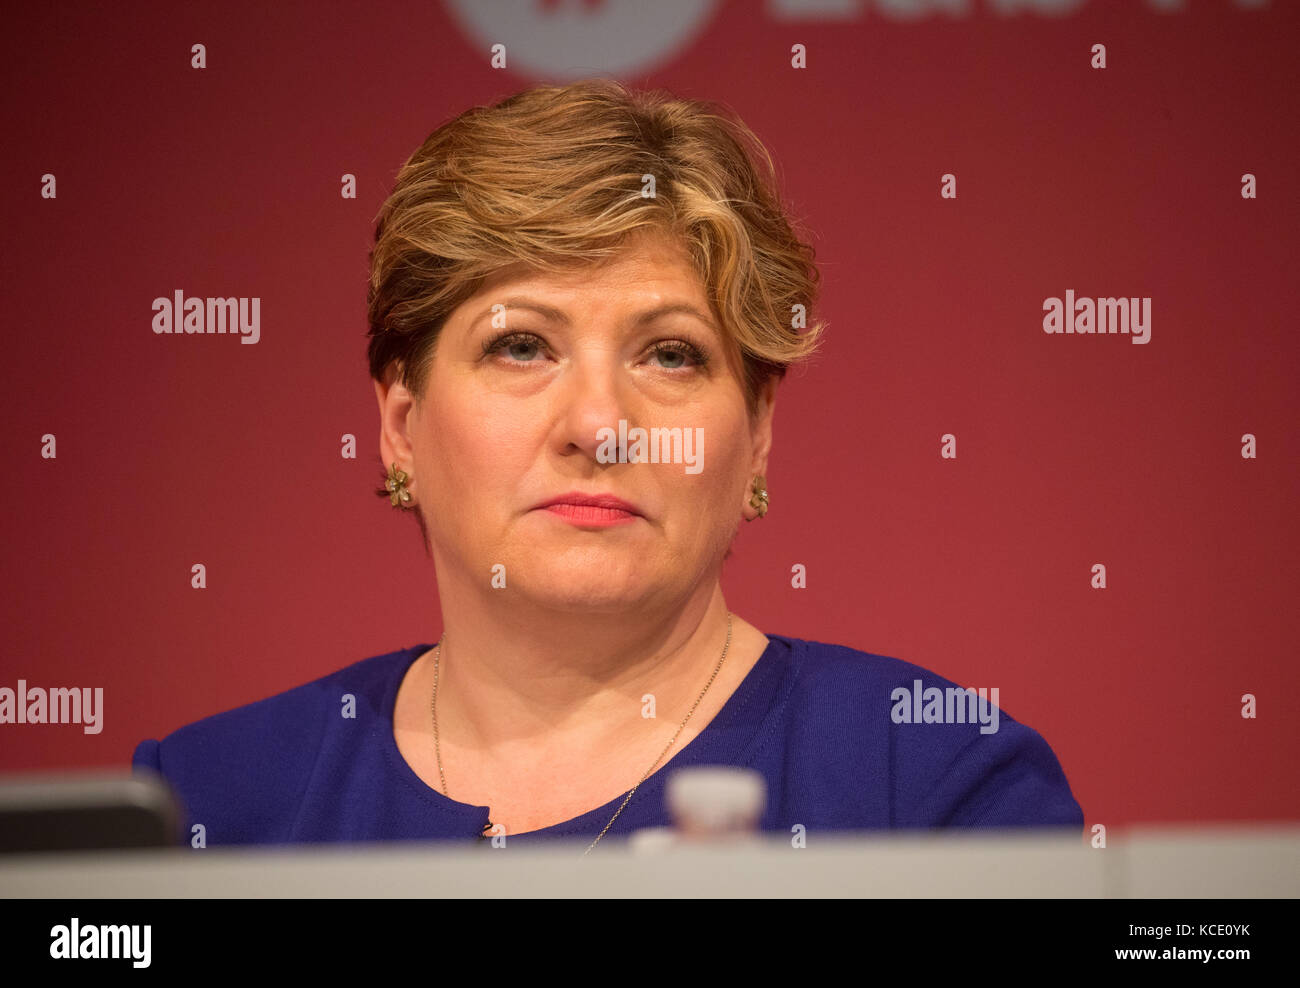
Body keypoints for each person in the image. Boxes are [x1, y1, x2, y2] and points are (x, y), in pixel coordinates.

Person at [133, 78, 1083, 851]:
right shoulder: (203, 804)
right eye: (521, 348)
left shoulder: (934, 788)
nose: (600, 426)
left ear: (756, 437)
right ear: (401, 425)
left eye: (670, 354)